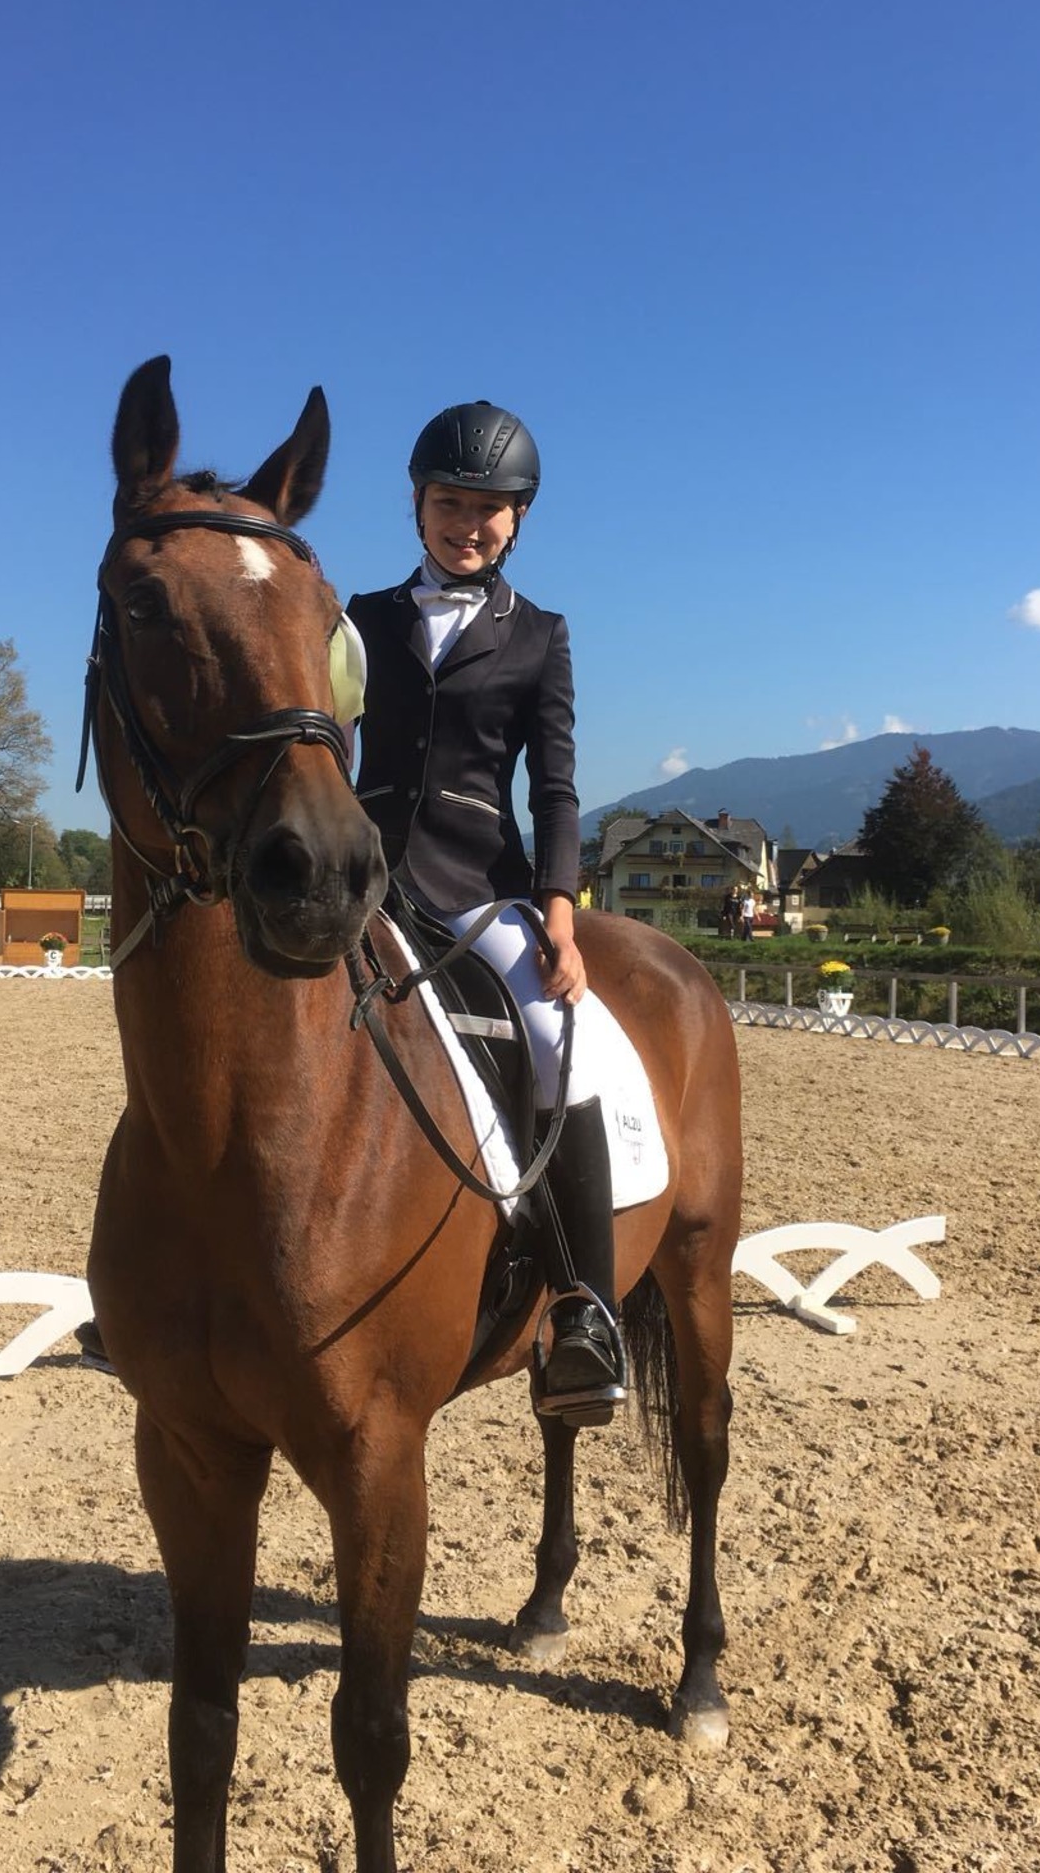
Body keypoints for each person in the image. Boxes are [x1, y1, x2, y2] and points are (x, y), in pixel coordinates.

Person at [347, 399, 625, 1423]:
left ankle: (583, 1305)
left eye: (489, 508)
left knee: (557, 1032)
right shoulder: (356, 619)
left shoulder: (540, 636)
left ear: (518, 520)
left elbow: (554, 786)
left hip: (476, 881)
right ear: (419, 506)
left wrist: (559, 908)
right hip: (360, 871)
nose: (469, 521)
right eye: (450, 501)